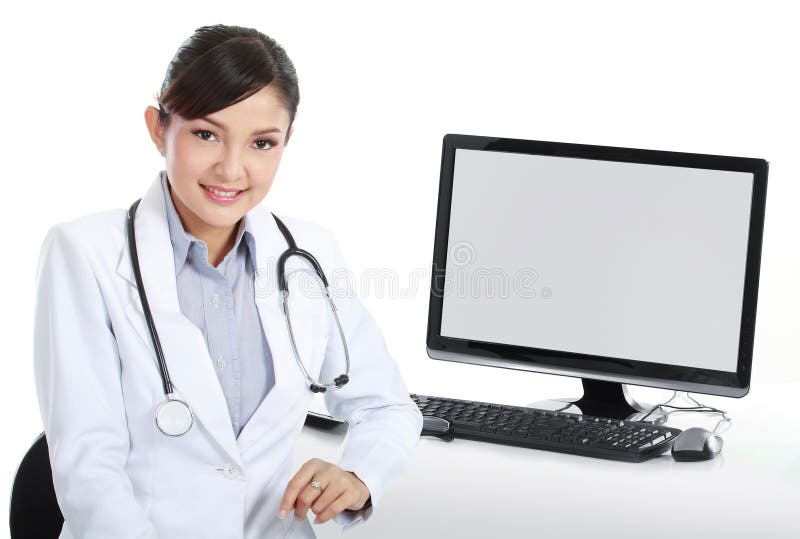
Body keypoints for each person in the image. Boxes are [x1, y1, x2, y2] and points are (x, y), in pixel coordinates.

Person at [32, 24, 423, 539]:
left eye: (262, 143)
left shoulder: (308, 255)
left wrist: (357, 474)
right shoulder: (86, 253)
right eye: (205, 134)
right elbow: (89, 472)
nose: (232, 169)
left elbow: (385, 406)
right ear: (158, 129)